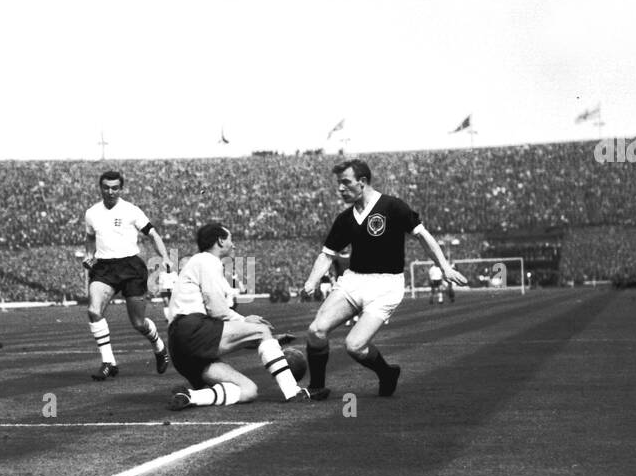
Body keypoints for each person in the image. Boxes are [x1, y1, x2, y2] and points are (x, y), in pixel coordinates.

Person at [301, 160, 466, 399]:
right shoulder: (345, 219)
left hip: (386, 285)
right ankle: (317, 387)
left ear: (363, 182)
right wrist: (311, 281)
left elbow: (423, 236)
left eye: (345, 182)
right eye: (338, 184)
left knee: (354, 346)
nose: (340, 189)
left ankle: (387, 373)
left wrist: (445, 267)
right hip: (354, 280)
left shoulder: (392, 206)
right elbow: (327, 255)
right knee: (316, 331)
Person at [167, 223, 308, 410]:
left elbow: (223, 331)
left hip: (181, 348)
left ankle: (191, 396)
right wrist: (246, 323)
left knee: (248, 390)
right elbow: (217, 310)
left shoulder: (199, 262)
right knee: (260, 329)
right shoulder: (207, 260)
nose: (234, 244)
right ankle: (293, 392)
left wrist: (267, 340)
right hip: (191, 329)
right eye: (230, 239)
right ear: (220, 240)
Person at [81, 170, 171, 380]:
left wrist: (165, 256)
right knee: (94, 311)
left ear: (120, 189)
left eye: (115, 188)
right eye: (106, 187)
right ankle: (108, 362)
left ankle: (159, 347)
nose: (110, 191)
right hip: (104, 268)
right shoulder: (92, 213)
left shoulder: (132, 210)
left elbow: (153, 234)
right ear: (100, 188)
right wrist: (88, 254)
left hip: (131, 267)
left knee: (138, 323)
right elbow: (89, 237)